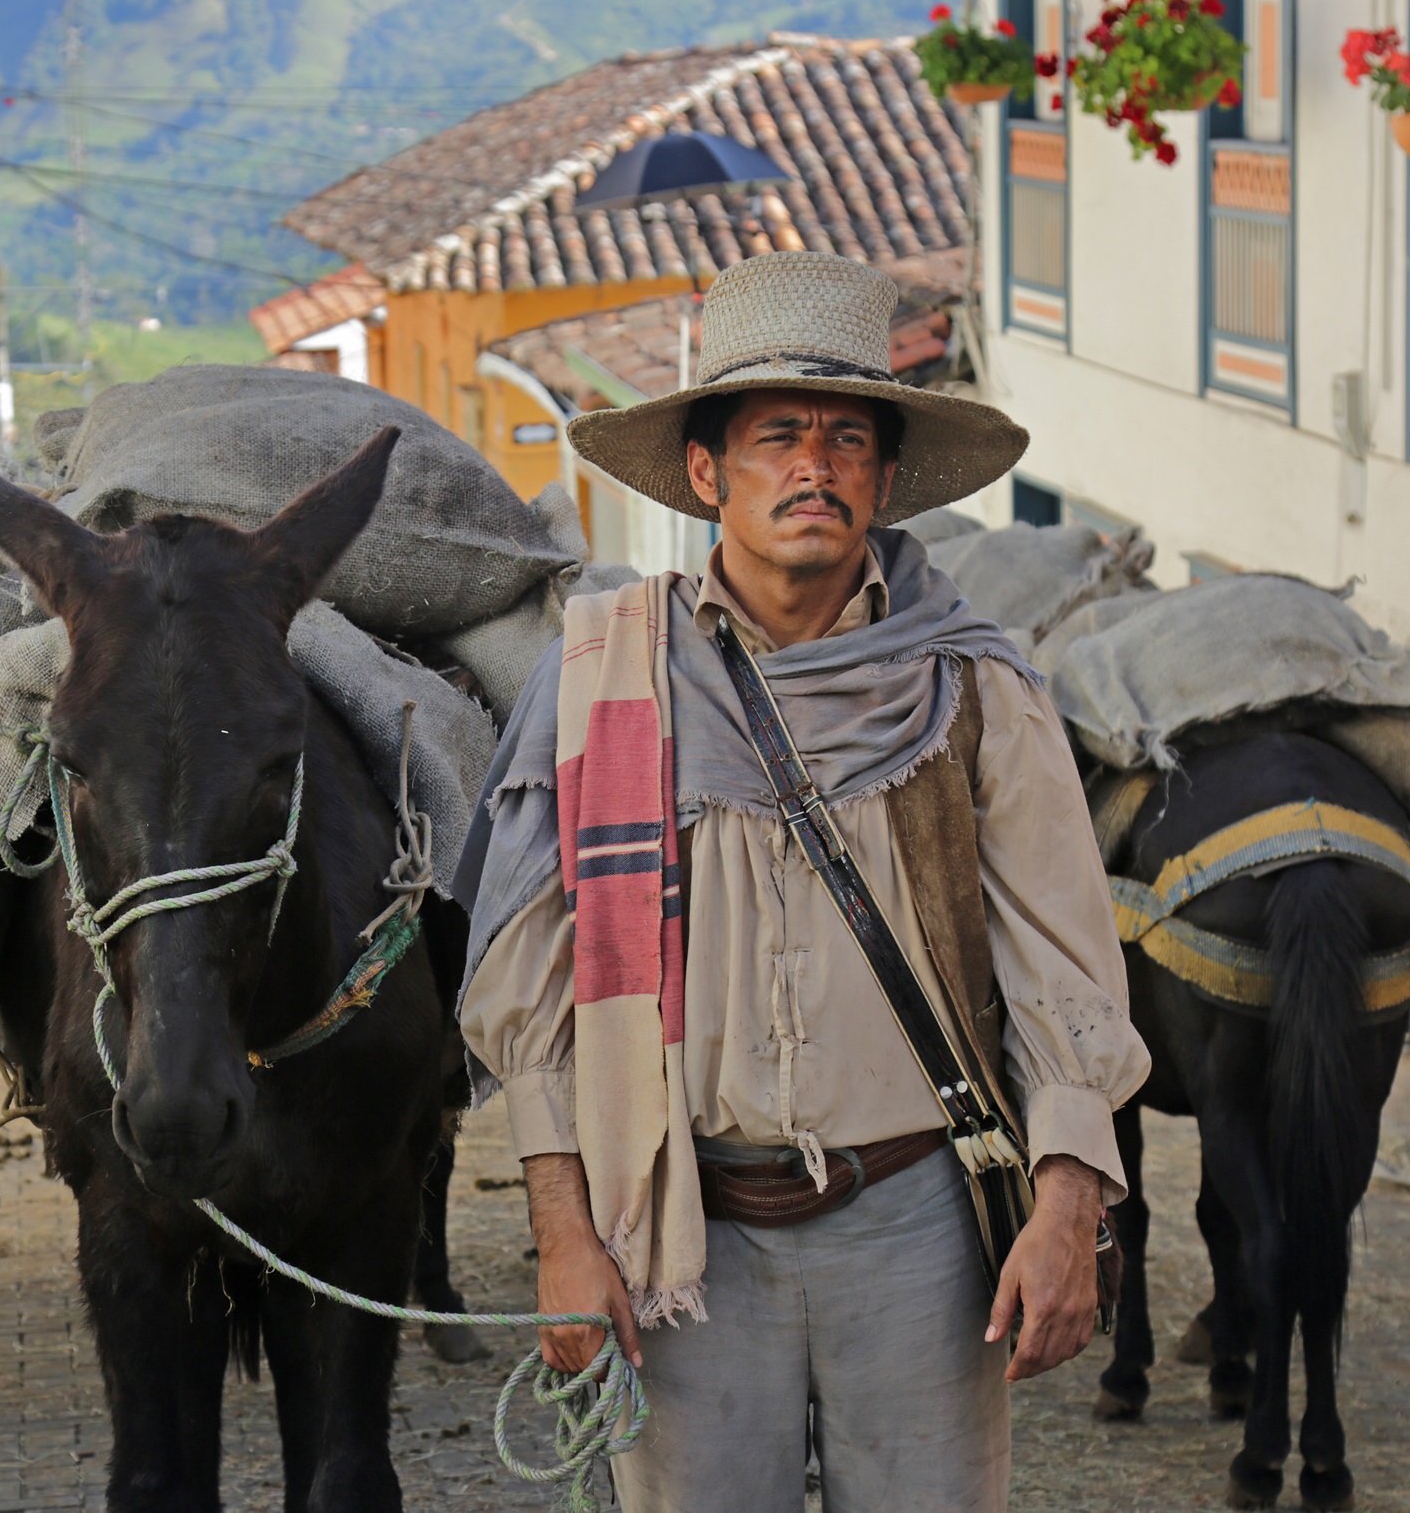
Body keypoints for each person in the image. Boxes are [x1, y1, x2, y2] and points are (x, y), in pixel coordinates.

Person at [455, 250, 1151, 1511]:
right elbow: (538, 996)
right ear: (709, 472)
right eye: (778, 435)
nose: (814, 468)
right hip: (681, 1236)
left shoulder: (970, 686)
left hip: (921, 1229)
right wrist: (564, 1230)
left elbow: (1065, 973)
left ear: (885, 481)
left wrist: (1064, 1212)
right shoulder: (606, 678)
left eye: (845, 439)